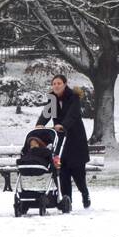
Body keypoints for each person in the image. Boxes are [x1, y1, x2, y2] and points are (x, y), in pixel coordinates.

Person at [36, 74, 91, 209]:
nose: (56, 86)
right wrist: (39, 124)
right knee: (63, 170)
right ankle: (68, 201)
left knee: (78, 172)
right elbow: (46, 114)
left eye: (59, 83)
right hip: (61, 140)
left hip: (75, 139)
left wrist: (63, 125)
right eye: (54, 83)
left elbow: (72, 115)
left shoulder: (73, 97)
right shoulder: (52, 99)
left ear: (65, 84)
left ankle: (85, 193)